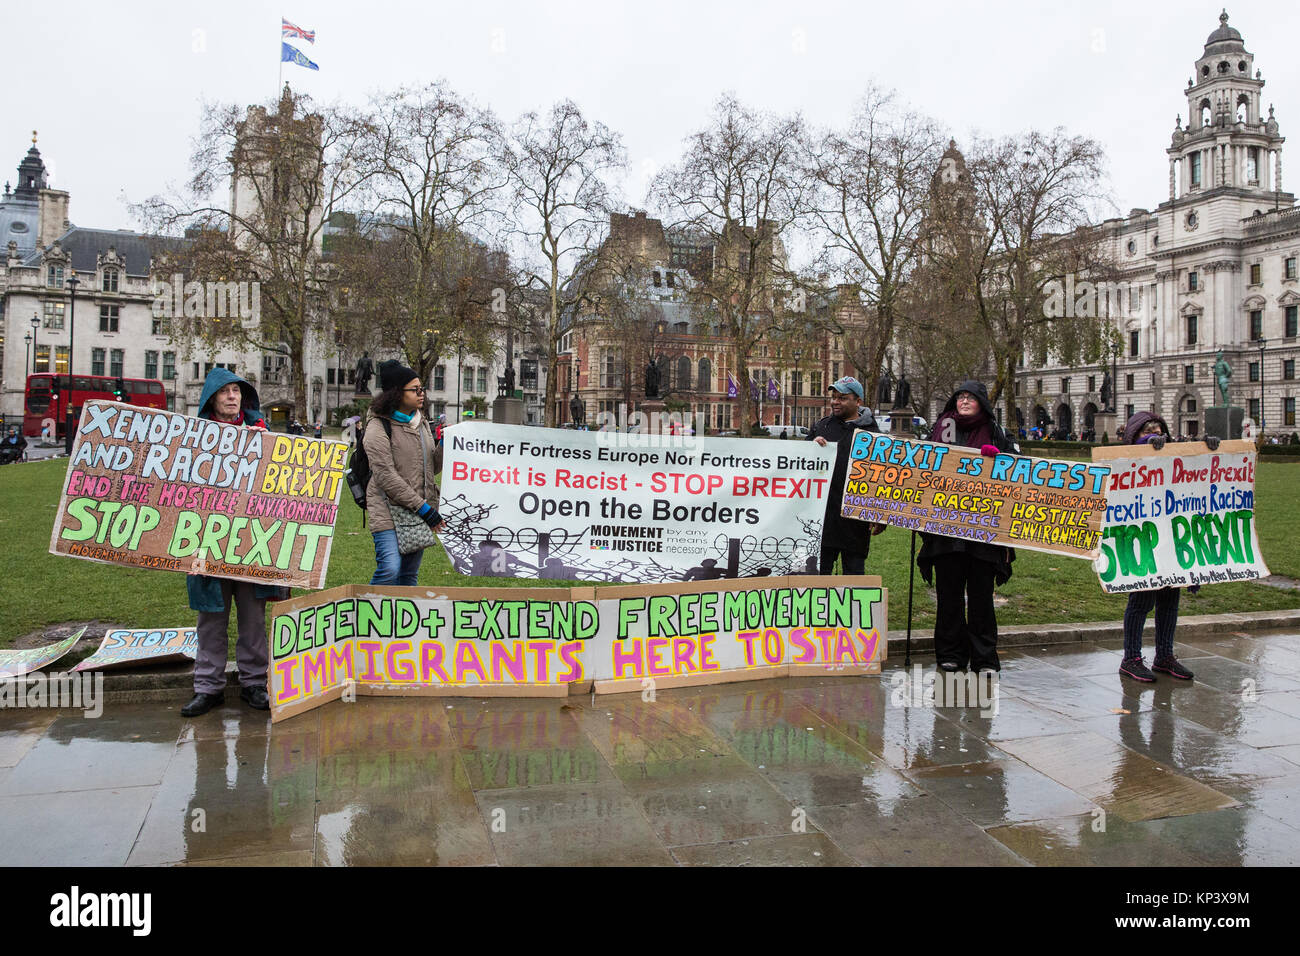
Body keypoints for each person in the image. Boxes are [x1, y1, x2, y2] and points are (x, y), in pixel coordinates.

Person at [182, 369, 286, 717]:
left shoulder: (262, 434)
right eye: (224, 391)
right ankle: (208, 687)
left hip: (251, 541)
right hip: (206, 540)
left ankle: (254, 682)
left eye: (236, 391)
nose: (231, 396)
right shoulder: (195, 436)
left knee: (253, 617)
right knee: (211, 616)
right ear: (211, 398)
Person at [917, 380, 1018, 673]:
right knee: (948, 596)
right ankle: (950, 653)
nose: (963, 401)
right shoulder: (939, 429)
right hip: (945, 531)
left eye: (969, 397)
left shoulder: (997, 433)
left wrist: (999, 460)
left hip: (984, 534)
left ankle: (984, 657)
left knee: (981, 598)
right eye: (959, 396)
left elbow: (1019, 471)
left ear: (982, 403)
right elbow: (920, 467)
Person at [1117, 411, 1217, 682]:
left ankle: (1164, 655)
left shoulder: (1174, 455)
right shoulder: (1128, 456)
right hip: (1142, 536)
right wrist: (1148, 445)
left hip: (1171, 536)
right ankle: (1131, 658)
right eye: (1147, 431)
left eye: (1158, 430)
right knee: (1141, 600)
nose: (1154, 434)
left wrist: (1206, 449)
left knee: (1170, 600)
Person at [364, 360, 445, 586]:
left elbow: (431, 468)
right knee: (390, 569)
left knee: (408, 577)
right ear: (396, 393)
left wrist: (445, 445)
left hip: (417, 511)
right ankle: (366, 614)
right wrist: (424, 508)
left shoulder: (421, 424)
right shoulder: (377, 427)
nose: (422, 394)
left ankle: (400, 622)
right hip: (387, 510)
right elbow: (385, 476)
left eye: (422, 389)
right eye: (415, 390)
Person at [808, 376, 883, 575]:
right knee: (818, 579)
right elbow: (798, 464)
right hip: (823, 519)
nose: (835, 402)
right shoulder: (821, 426)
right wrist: (811, 447)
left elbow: (882, 477)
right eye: (833, 397)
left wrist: (881, 515)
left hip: (855, 524)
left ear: (858, 401)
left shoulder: (873, 434)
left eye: (842, 398)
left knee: (854, 579)